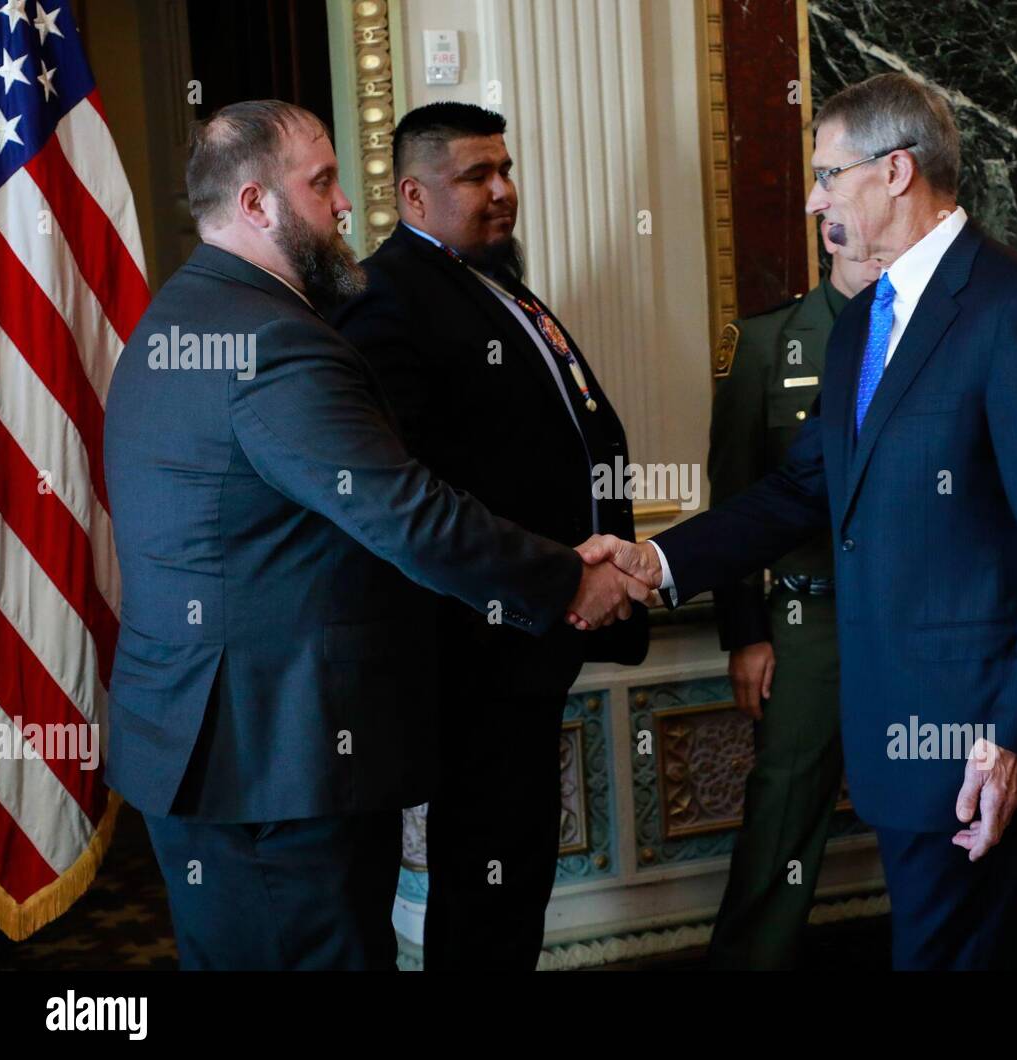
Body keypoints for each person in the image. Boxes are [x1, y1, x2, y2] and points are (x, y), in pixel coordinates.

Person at [573, 73, 1017, 970]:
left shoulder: (1016, 306)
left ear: (896, 171)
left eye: (830, 173)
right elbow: (802, 490)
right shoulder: (863, 321)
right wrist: (654, 562)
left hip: (978, 741)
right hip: (895, 736)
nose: (813, 196)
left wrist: (1014, 738)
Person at [103, 100, 647, 970]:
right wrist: (566, 578)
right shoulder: (276, 342)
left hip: (211, 745)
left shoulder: (177, 317)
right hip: (279, 757)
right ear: (254, 205)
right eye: (321, 185)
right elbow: (408, 514)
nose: (345, 205)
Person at [330, 102, 647, 971]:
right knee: (488, 889)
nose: (503, 191)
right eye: (476, 176)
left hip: (534, 637)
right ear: (413, 194)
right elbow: (414, 493)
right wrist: (552, 578)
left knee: (516, 881)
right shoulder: (383, 294)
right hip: (474, 650)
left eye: (505, 170)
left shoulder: (493, 276)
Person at [706, 222, 879, 969]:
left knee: (944, 800)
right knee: (783, 812)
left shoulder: (940, 331)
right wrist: (747, 631)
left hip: (918, 617)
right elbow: (735, 500)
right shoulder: (766, 345)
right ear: (830, 231)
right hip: (813, 618)